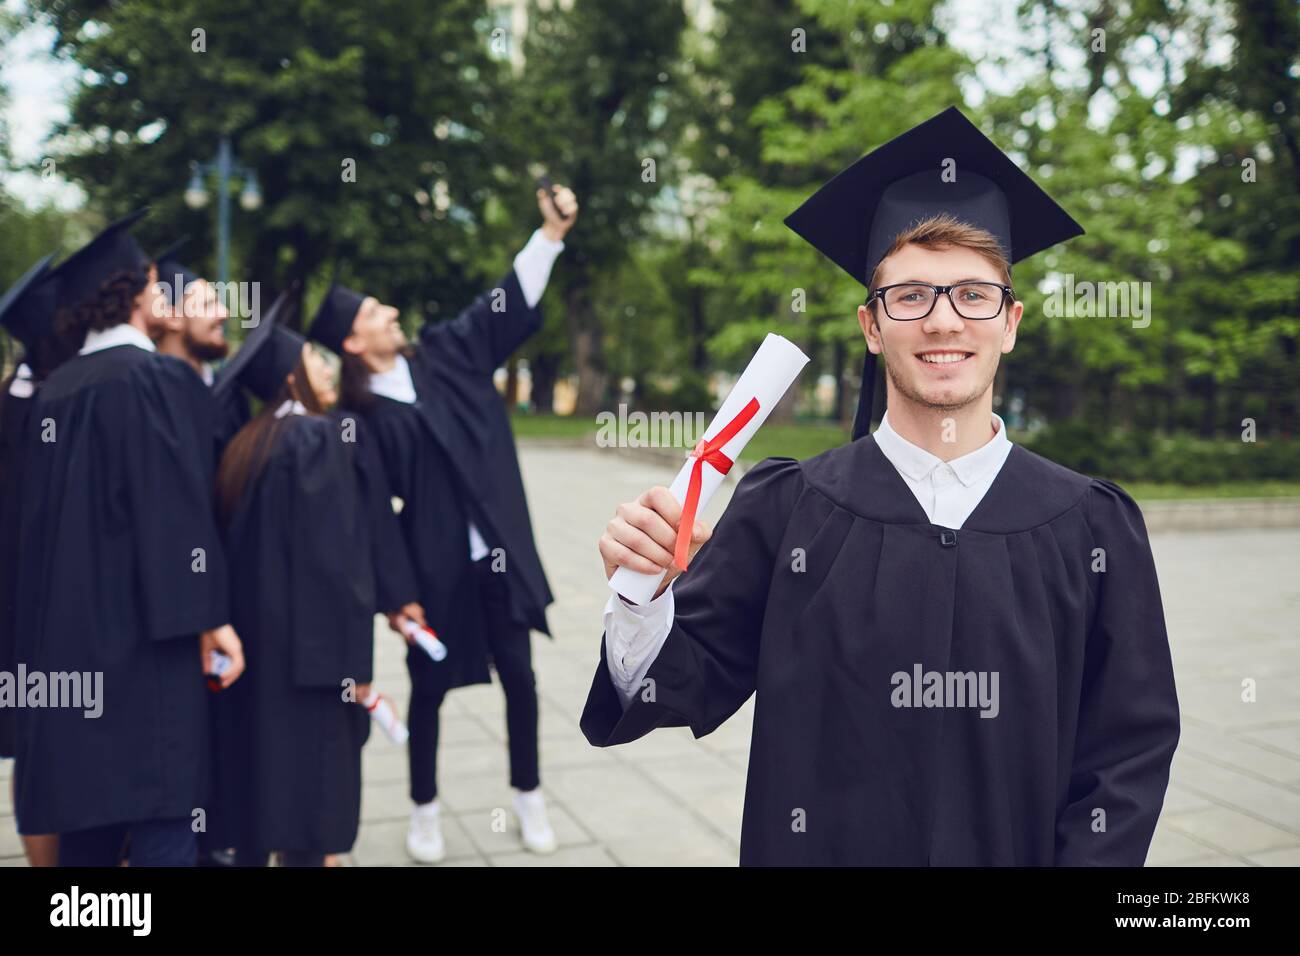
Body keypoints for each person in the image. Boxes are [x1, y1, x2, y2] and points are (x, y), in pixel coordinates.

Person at [586, 107, 1181, 866]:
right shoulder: (787, 508)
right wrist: (641, 595)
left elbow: (1128, 754)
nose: (942, 321)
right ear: (872, 325)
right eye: (911, 296)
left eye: (973, 295)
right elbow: (677, 685)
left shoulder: (1091, 528)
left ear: (1011, 321)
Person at [307, 184, 579, 861]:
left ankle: (529, 795)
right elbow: (372, 517)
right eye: (376, 311)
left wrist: (548, 233)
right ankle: (424, 808)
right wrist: (399, 599)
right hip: (433, 569)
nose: (392, 312)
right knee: (429, 690)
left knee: (520, 677)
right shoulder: (360, 417)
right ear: (352, 338)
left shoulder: (445, 355)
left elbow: (498, 308)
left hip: (498, 557)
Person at [13, 209, 246, 867]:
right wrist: (211, 621)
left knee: (85, 826)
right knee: (162, 822)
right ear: (140, 289)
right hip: (145, 651)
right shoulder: (151, 379)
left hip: (68, 652)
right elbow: (170, 517)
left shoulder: (57, 389)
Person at [209, 312, 418, 867]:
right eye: (311, 358)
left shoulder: (249, 444)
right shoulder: (318, 439)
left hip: (261, 662)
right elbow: (336, 569)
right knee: (309, 813)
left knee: (261, 797)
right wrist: (357, 674)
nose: (326, 366)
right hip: (315, 666)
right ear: (288, 378)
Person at [0, 254, 71, 868]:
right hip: (46, 605)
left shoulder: (17, 395)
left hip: (19, 605)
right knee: (46, 743)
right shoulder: (52, 402)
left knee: (31, 745)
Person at [152, 239, 251, 454]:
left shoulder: (231, 395)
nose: (224, 313)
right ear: (172, 317)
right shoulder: (148, 395)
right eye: (208, 305)